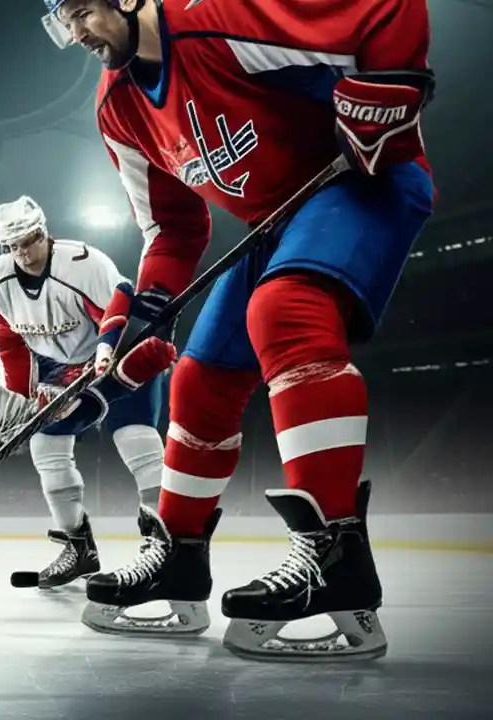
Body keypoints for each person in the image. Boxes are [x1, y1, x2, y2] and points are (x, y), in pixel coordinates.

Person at [38, 0, 434, 660]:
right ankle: (179, 559)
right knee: (199, 378)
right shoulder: (118, 109)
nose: (75, 32)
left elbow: (389, 8)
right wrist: (135, 319)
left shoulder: (217, 19)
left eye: (81, 10)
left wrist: (392, 82)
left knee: (283, 311)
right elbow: (173, 229)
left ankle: (335, 561)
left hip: (362, 185)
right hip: (276, 224)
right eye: (63, 21)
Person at [0, 195, 173, 589]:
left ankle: (164, 545)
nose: (23, 253)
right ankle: (79, 547)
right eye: (13, 246)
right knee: (45, 447)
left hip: (120, 348)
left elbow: (120, 306)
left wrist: (104, 356)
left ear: (44, 232)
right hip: (65, 367)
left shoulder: (83, 263)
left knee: (134, 436)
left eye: (30, 240)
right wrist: (20, 403)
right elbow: (7, 344)